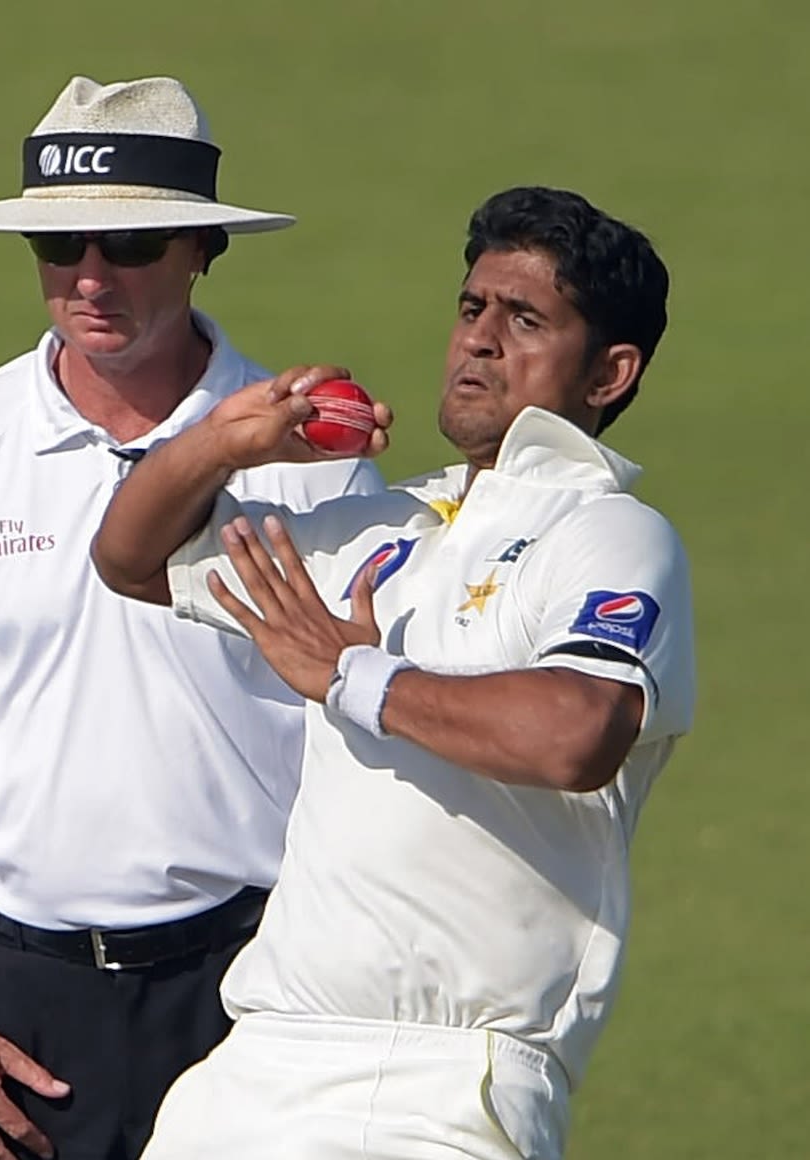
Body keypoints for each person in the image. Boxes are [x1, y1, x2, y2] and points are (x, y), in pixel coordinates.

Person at [92, 185, 696, 1160]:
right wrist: (232, 439)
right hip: (258, 1059)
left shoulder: (613, 533)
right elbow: (132, 558)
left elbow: (575, 732)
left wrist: (355, 674)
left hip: (443, 1083)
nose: (480, 340)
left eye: (526, 318)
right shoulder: (384, 524)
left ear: (610, 371)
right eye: (472, 308)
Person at [0, 74, 384, 1160]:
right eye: (58, 246)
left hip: (254, 992)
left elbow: (368, 753)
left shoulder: (320, 468)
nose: (88, 278)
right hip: (20, 1013)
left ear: (201, 248)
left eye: (127, 244)